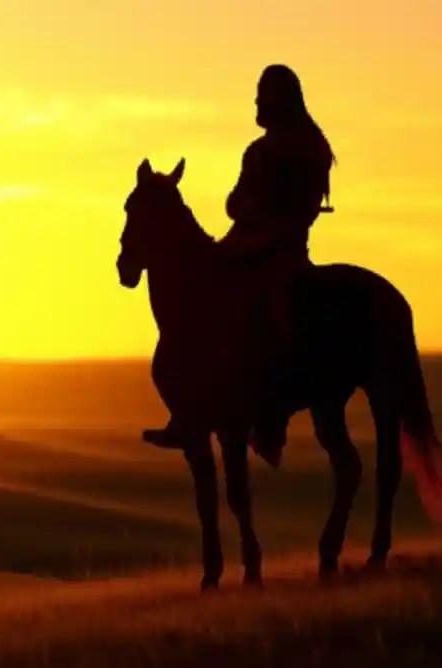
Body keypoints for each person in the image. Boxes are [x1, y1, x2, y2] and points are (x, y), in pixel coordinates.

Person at [143, 64, 335, 466]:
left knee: (273, 313)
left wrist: (268, 224)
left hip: (281, 250)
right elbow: (235, 199)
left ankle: (269, 412)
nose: (256, 103)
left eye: (262, 96)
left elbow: (304, 208)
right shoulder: (258, 151)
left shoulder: (308, 147)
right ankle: (186, 407)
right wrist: (243, 208)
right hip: (243, 242)